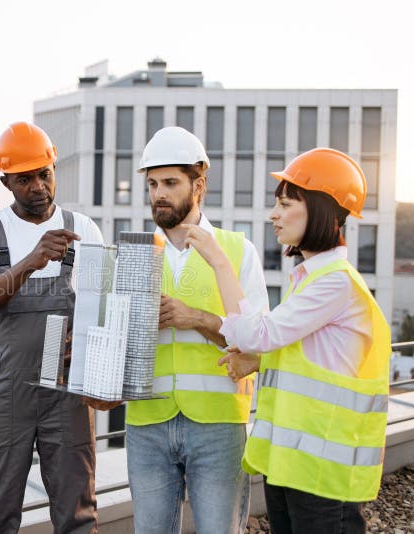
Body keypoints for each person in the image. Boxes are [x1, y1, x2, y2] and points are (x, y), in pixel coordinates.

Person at [185, 147, 391, 533]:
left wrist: (219, 262)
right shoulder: (312, 279)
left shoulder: (335, 284)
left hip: (320, 474)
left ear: (320, 211)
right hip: (294, 466)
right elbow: (314, 355)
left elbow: (258, 333)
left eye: (285, 204)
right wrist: (260, 361)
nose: (273, 215)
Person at [126, 127, 269, 533]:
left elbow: (260, 343)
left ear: (199, 186)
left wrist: (198, 319)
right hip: (147, 422)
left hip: (218, 423)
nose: (159, 194)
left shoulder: (237, 251)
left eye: (170, 183)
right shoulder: (132, 253)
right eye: (153, 184)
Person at [0, 121, 103, 533]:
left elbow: (105, 309)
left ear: (54, 168)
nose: (39, 187)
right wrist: (30, 262)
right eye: (25, 179)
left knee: (77, 514)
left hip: (67, 388)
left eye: (44, 174)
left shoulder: (84, 228)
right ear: (6, 182)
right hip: (6, 390)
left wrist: (88, 345)